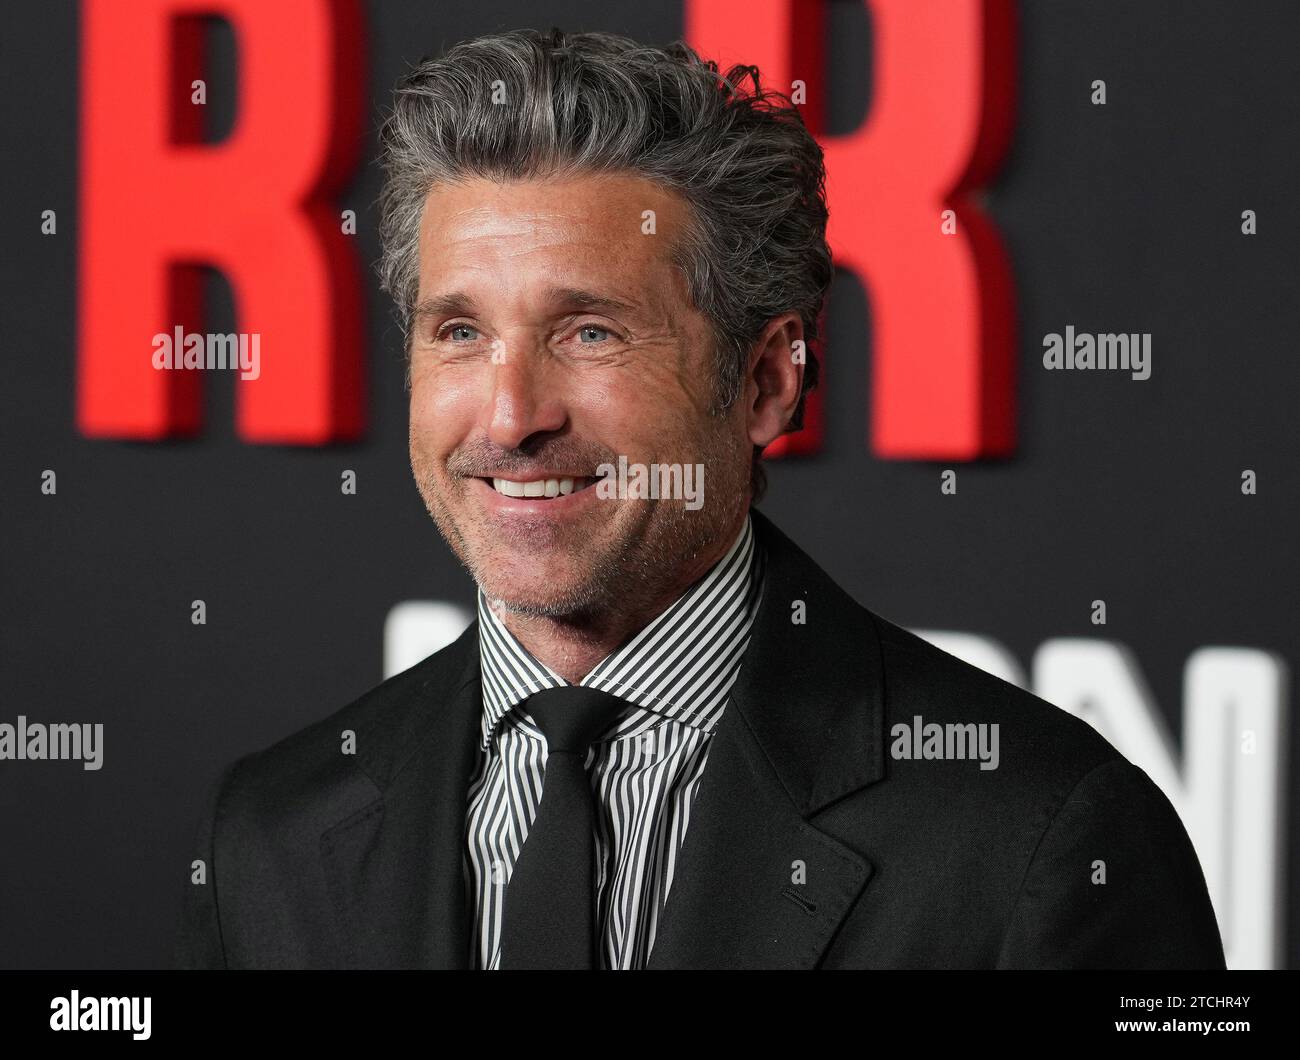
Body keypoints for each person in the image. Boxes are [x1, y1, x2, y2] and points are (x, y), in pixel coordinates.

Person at [173, 27, 1224, 970]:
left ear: (766, 381)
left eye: (590, 332)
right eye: (459, 332)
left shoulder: (1041, 838)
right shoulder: (273, 828)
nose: (509, 415)